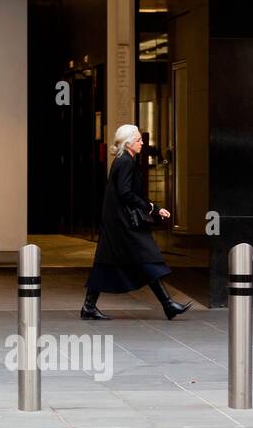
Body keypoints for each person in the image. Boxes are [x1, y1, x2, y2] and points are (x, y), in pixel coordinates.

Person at [81, 124, 192, 321]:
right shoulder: (126, 162)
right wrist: (151, 208)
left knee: (107, 263)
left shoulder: (123, 160)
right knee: (146, 257)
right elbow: (125, 193)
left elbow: (128, 193)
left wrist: (154, 208)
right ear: (129, 142)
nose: (142, 143)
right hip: (123, 224)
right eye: (139, 140)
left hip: (117, 222)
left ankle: (89, 306)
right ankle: (168, 305)